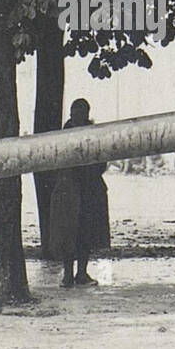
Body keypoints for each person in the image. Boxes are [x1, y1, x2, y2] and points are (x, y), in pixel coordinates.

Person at [47, 99, 111, 287]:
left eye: (80, 112)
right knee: (71, 234)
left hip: (83, 192)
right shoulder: (72, 134)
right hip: (72, 191)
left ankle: (78, 274)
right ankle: (70, 275)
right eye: (76, 112)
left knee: (83, 234)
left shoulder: (69, 134)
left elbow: (101, 161)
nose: (77, 116)